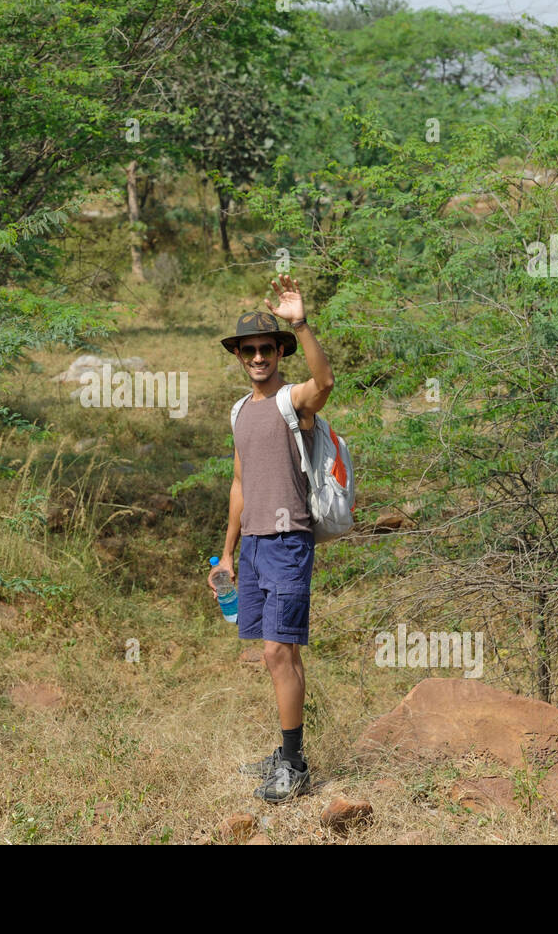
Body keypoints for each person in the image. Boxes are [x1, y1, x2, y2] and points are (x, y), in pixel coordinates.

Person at [209, 274, 334, 803]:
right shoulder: (241, 411)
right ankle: (287, 754)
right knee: (272, 652)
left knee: (279, 653)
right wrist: (228, 552)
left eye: (266, 348)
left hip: (288, 541)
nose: (258, 357)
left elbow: (324, 382)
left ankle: (296, 766)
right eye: (249, 350)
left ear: (279, 352)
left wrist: (300, 323)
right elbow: (239, 483)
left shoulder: (291, 402)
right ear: (239, 356)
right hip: (256, 546)